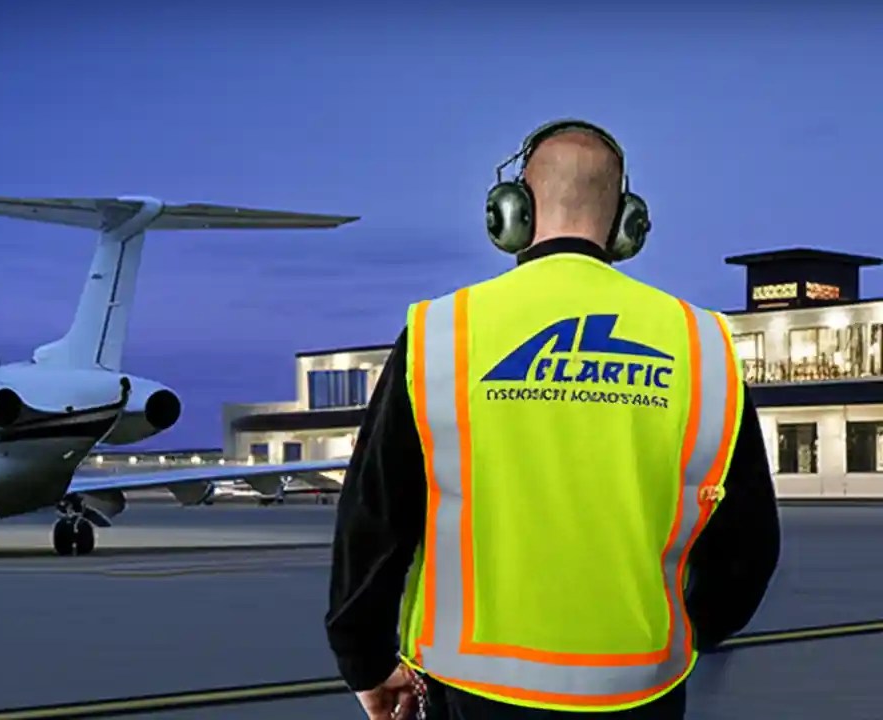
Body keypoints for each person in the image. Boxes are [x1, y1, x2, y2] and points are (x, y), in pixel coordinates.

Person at [325, 119, 782, 720]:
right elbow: (748, 545)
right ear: (627, 223)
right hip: (639, 688)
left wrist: (365, 659)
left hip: (472, 688)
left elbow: (375, 518)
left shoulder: (442, 335)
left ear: (511, 211)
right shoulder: (701, 346)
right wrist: (685, 633)